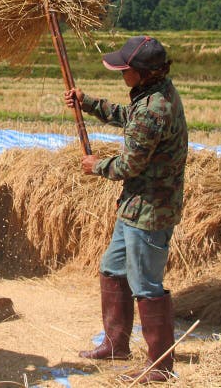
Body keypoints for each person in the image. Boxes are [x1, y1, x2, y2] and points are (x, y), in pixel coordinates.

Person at [64, 36, 187, 384]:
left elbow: (129, 164)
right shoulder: (152, 94)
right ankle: (116, 344)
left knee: (146, 285)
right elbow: (127, 117)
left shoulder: (153, 109)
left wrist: (97, 166)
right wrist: (88, 103)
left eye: (125, 70)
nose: (121, 75)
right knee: (113, 268)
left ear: (143, 72)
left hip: (150, 211)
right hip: (135, 205)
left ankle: (160, 365)